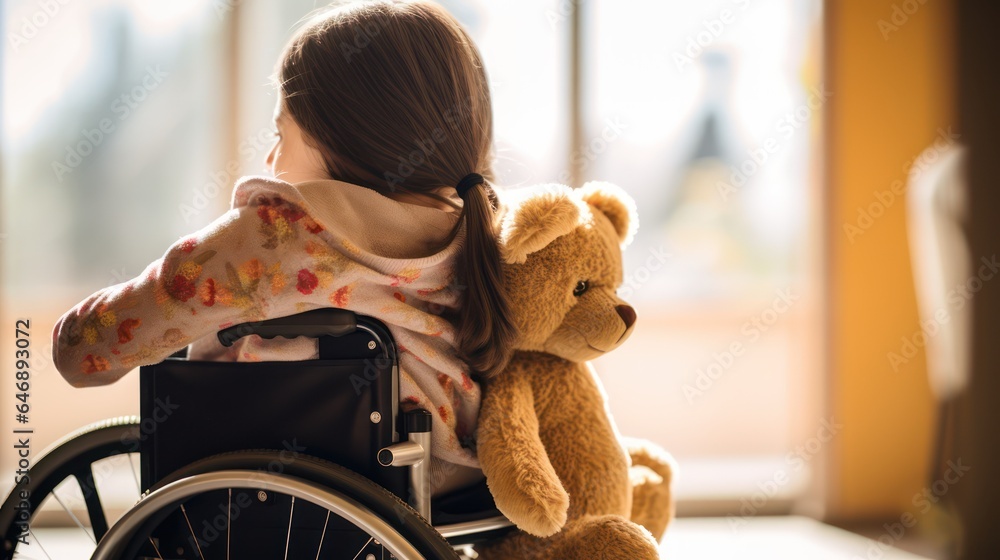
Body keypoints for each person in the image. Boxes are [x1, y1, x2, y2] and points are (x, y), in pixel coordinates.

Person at [50, 0, 516, 496]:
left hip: (279, 495)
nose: (270, 159)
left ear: (342, 135)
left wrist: (73, 340)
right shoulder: (484, 236)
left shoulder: (283, 235)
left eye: (280, 133)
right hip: (440, 486)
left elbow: (87, 349)